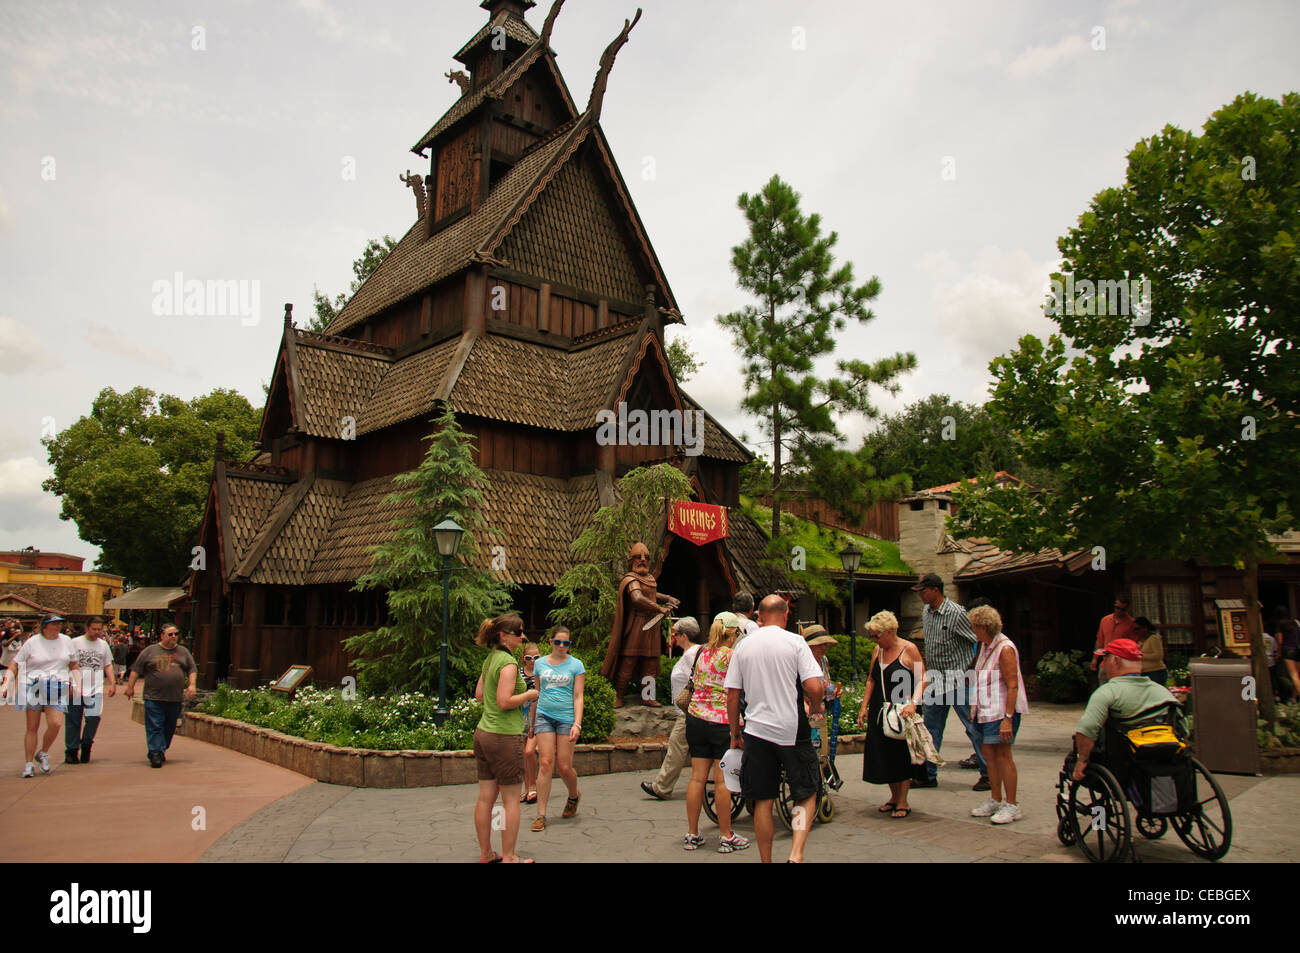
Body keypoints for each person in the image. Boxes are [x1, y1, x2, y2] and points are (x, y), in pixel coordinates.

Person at [725, 595, 824, 863]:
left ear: (759, 615)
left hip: (757, 732)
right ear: (785, 615)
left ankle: (766, 860)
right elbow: (814, 686)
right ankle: (796, 853)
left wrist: (735, 734)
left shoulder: (743, 647)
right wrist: (816, 705)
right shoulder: (795, 642)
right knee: (805, 794)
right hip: (792, 730)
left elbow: (733, 695)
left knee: (763, 800)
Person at [472, 613, 538, 863]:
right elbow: (504, 701)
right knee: (511, 800)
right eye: (518, 632)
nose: (523, 636)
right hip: (504, 736)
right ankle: (509, 857)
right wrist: (529, 695)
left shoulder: (490, 660)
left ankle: (487, 853)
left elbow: (480, 695)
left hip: (483, 734)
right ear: (503, 636)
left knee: (486, 798)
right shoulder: (509, 664)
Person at [912, 573, 987, 790]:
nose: (921, 596)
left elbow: (979, 639)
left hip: (960, 678)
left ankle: (987, 773)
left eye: (923, 591)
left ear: (936, 590)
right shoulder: (926, 612)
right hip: (936, 679)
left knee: (972, 726)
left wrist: (973, 667)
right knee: (931, 729)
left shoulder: (957, 613)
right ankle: (928, 774)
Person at [682, 612, 749, 853]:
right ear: (732, 634)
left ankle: (692, 833)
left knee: (697, 778)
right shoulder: (732, 656)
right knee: (722, 781)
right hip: (722, 721)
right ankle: (725, 835)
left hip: (696, 718)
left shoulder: (701, 653)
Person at [1073, 638, 1184, 781]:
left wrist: (1082, 760)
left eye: (1105, 659)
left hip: (1123, 763)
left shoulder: (1107, 692)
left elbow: (1087, 729)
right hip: (1164, 757)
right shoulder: (1163, 692)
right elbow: (1183, 729)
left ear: (1116, 662)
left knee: (1076, 758)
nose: (1103, 664)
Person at [858, 611, 923, 819]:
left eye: (877, 635)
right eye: (872, 636)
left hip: (902, 708)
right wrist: (864, 706)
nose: (874, 640)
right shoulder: (878, 651)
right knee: (883, 752)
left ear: (890, 631)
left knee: (901, 754)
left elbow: (923, 678)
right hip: (881, 708)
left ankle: (903, 799)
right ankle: (894, 796)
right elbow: (871, 680)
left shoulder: (909, 649)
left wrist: (914, 704)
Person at [968, 606, 1028, 825]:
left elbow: (1013, 685)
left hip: (1001, 711)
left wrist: (1008, 718)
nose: (973, 631)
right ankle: (995, 798)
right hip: (985, 710)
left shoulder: (1005, 648)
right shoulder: (984, 646)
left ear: (984, 627)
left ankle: (1012, 805)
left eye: (975, 627)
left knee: (1003, 756)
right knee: (989, 756)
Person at [1, 615, 81, 778]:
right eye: (54, 624)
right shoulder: (32, 642)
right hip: (34, 685)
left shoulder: (66, 641)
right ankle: (29, 763)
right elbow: (15, 663)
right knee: (32, 727)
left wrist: (77, 683)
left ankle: (43, 752)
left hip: (57, 685)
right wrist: (6, 683)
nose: (57, 627)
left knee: (56, 723)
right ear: (45, 626)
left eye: (59, 624)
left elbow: (73, 664)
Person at [600, 542, 679, 707]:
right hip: (637, 626)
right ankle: (619, 696)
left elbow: (650, 593)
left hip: (652, 628)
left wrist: (667, 598)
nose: (643, 560)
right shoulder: (631, 579)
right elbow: (637, 597)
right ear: (631, 561)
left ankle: (647, 696)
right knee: (629, 661)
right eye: (638, 557)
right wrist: (659, 608)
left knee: (650, 663)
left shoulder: (649, 579)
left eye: (646, 558)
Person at [530, 626, 585, 833]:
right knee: (545, 763)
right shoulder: (540, 664)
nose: (562, 646)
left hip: (566, 718)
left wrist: (577, 723)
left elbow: (578, 696)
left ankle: (573, 795)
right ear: (551, 642)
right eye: (558, 642)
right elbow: (536, 693)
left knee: (564, 766)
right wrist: (531, 723)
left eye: (566, 643)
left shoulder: (576, 665)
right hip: (544, 716)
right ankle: (541, 814)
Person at [641, 616, 703, 801]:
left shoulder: (692, 655)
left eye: (675, 634)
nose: (673, 637)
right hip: (691, 710)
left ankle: (662, 786)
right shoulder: (695, 652)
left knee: (676, 746)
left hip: (690, 711)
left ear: (684, 635)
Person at [124, 624, 197, 767]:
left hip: (174, 698)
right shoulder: (149, 651)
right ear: (162, 635)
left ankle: (160, 749)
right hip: (154, 697)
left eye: (176, 634)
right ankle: (155, 752)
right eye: (170, 634)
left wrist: (192, 684)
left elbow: (192, 668)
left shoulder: (183, 652)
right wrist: (130, 687)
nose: (174, 637)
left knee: (169, 727)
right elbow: (136, 670)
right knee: (155, 726)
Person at [65, 616, 117, 764]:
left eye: (99, 629)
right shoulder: (74, 643)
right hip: (75, 688)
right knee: (73, 721)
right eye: (94, 629)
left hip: (95, 689)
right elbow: (66, 664)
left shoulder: (103, 645)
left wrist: (112, 683)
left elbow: (107, 665)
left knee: (94, 718)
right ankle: (71, 750)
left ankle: (86, 744)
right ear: (87, 628)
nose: (97, 632)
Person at [802, 625, 842, 762]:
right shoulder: (801, 663)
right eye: (819, 645)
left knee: (823, 755)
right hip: (806, 714)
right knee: (812, 757)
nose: (824, 648)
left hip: (821, 712)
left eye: (825, 644)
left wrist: (834, 693)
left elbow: (826, 683)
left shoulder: (824, 661)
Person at [1091, 595, 1136, 683]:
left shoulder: (1131, 623)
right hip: (1105, 663)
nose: (1119, 611)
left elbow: (1133, 645)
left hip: (1121, 665)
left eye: (1122, 609)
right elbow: (1100, 641)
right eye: (1117, 608)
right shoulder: (1105, 620)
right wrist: (1095, 659)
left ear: (1127, 609)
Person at [519, 641, 541, 806]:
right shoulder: (518, 673)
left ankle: (533, 786)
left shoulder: (542, 672)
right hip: (521, 716)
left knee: (528, 752)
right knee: (524, 754)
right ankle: (527, 788)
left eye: (536, 657)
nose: (532, 661)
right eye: (529, 657)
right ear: (523, 658)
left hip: (538, 716)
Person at [1273, 610, 1299, 703]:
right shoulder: (1294, 623)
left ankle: (1295, 696)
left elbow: (1280, 641)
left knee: (1293, 674)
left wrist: (1279, 653)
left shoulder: (1280, 625)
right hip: (1297, 649)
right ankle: (1294, 698)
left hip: (1288, 650)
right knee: (1297, 675)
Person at [1133, 616, 1166, 686]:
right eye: (1134, 630)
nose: (1136, 632)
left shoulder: (1153, 639)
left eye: (1137, 629)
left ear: (1145, 628)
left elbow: (1158, 656)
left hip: (1156, 672)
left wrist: (1140, 655)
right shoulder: (1139, 641)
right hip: (1144, 672)